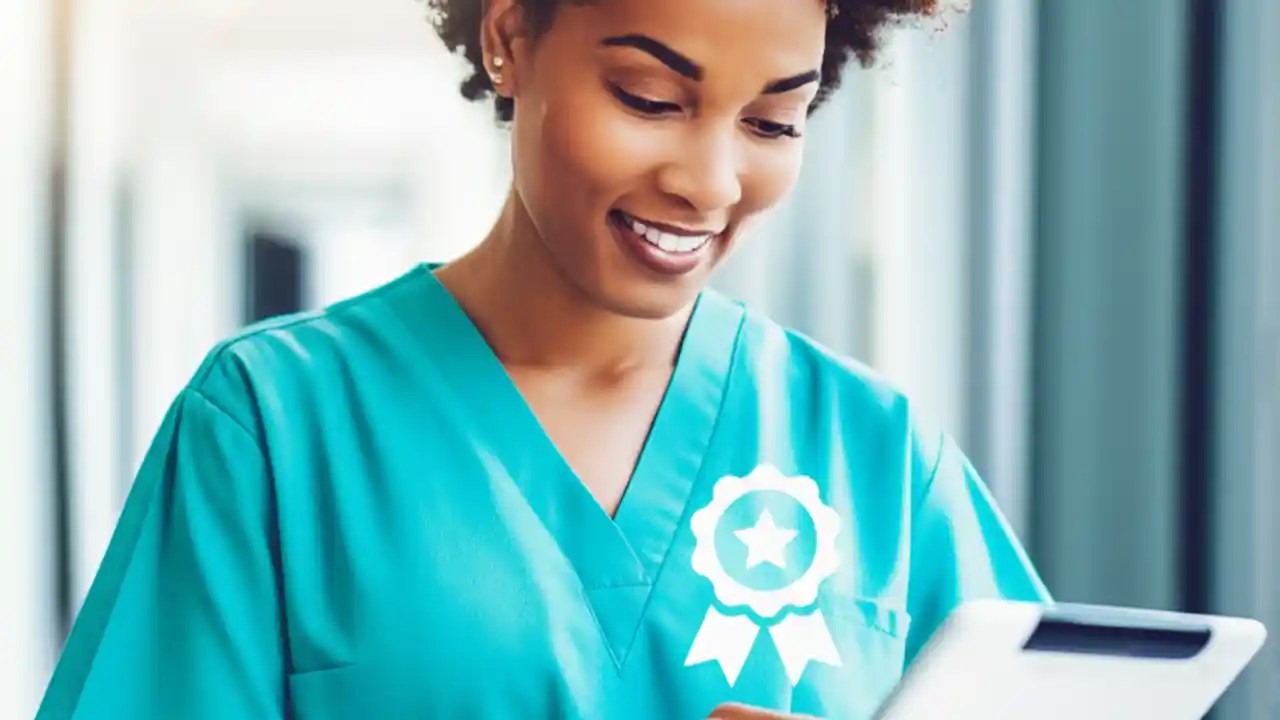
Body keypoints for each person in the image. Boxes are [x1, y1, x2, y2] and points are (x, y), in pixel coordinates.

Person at [36, 0, 1050, 718]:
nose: (709, 182)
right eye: (649, 98)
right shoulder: (272, 429)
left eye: (771, 122)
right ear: (510, 36)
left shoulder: (875, 455)